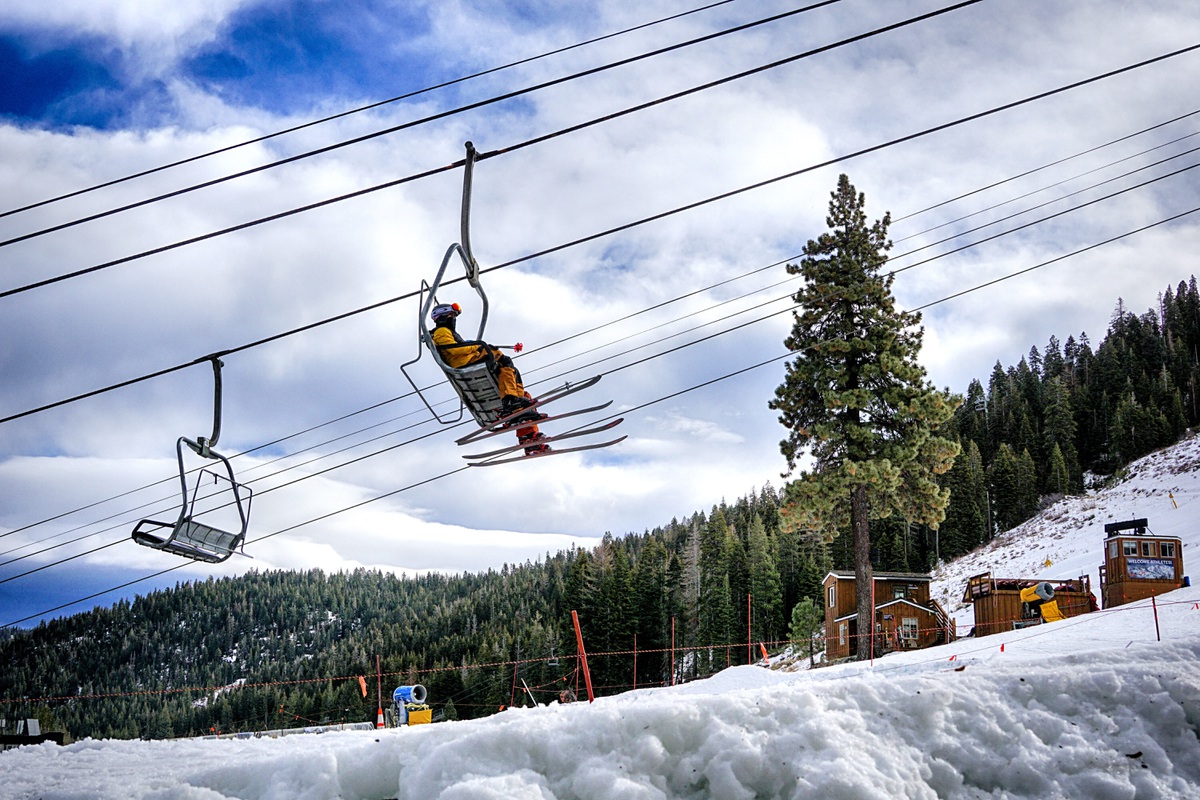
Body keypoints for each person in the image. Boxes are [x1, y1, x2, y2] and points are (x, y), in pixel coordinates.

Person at [430, 303, 549, 454]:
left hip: (467, 360)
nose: (454, 320)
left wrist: (476, 346)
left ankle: (529, 437)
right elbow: (454, 350)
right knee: (502, 360)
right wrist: (477, 346)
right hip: (464, 363)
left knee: (519, 388)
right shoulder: (441, 331)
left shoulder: (445, 331)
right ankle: (511, 399)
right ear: (443, 317)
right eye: (452, 316)